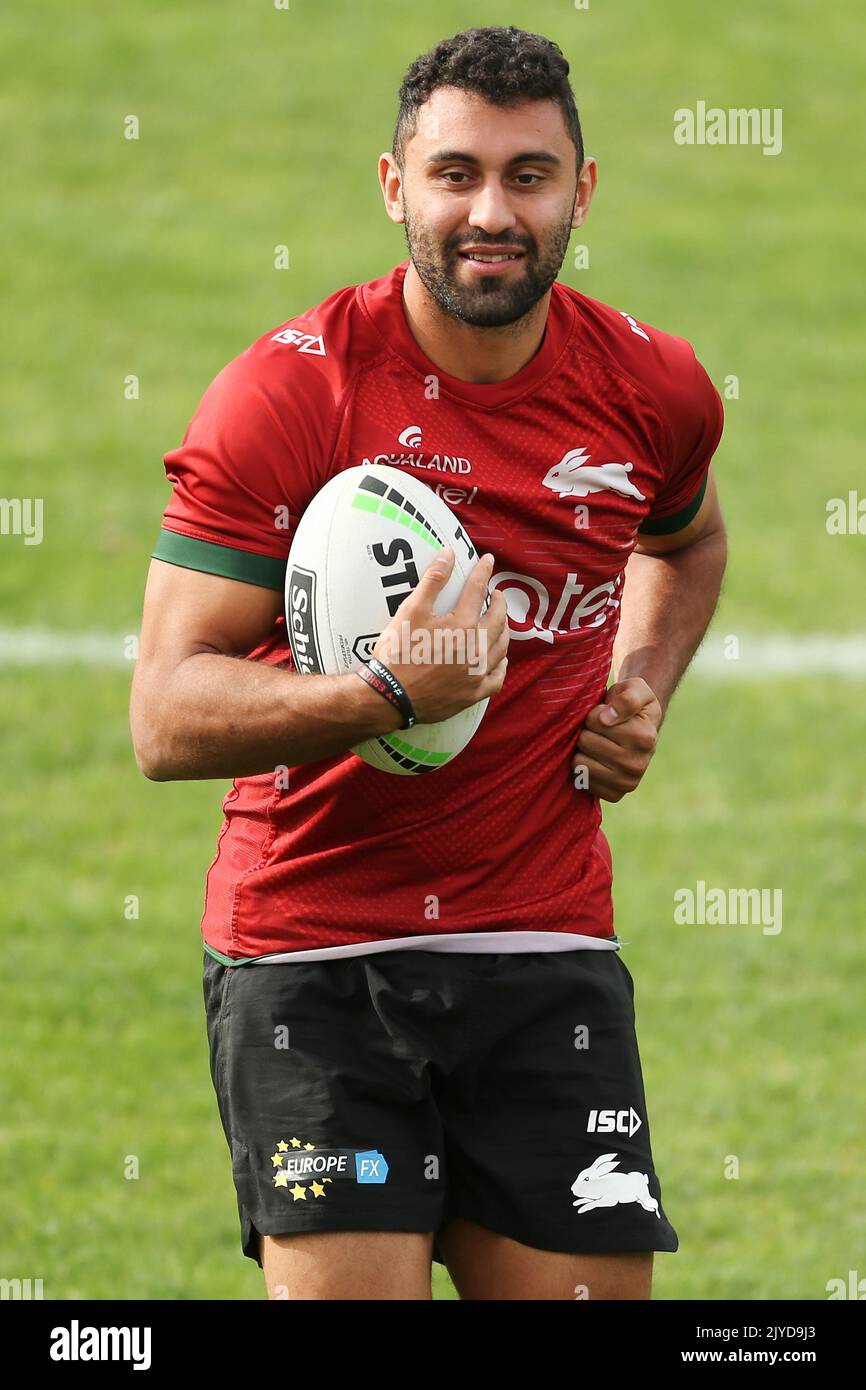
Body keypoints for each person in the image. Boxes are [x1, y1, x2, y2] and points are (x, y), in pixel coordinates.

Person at [130, 25, 726, 1300]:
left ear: (582, 189)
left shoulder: (653, 388)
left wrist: (640, 687)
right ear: (395, 186)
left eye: (528, 175)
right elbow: (166, 715)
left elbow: (687, 538)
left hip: (541, 941)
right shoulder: (288, 397)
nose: (491, 212)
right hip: (312, 948)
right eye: (454, 174)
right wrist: (383, 696)